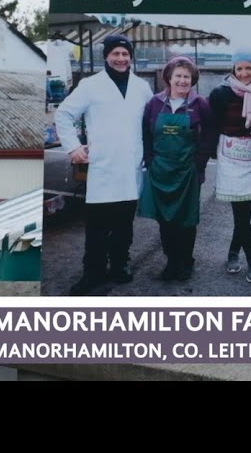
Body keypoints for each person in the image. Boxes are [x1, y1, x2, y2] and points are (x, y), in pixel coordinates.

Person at [54, 34, 153, 295]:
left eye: (125, 54)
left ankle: (120, 265)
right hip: (102, 167)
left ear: (131, 57)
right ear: (106, 56)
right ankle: (93, 272)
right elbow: (63, 114)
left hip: (131, 167)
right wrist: (73, 147)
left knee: (124, 224)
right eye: (115, 54)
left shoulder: (142, 87)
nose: (121, 59)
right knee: (97, 227)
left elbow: (151, 121)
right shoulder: (90, 85)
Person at [138, 56, 216, 282]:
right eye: (178, 76)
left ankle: (186, 261)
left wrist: (199, 162)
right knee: (165, 219)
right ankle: (171, 261)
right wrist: (150, 159)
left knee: (186, 219)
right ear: (168, 78)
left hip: (188, 170)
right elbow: (145, 133)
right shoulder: (154, 103)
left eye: (187, 77)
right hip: (160, 169)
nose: (182, 81)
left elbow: (211, 134)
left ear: (193, 80)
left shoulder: (199, 104)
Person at [208, 47, 251, 283]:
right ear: (233, 70)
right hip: (230, 157)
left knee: (244, 213)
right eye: (240, 68)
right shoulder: (220, 94)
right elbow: (211, 124)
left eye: (249, 68)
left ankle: (233, 253)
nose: (245, 73)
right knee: (241, 214)